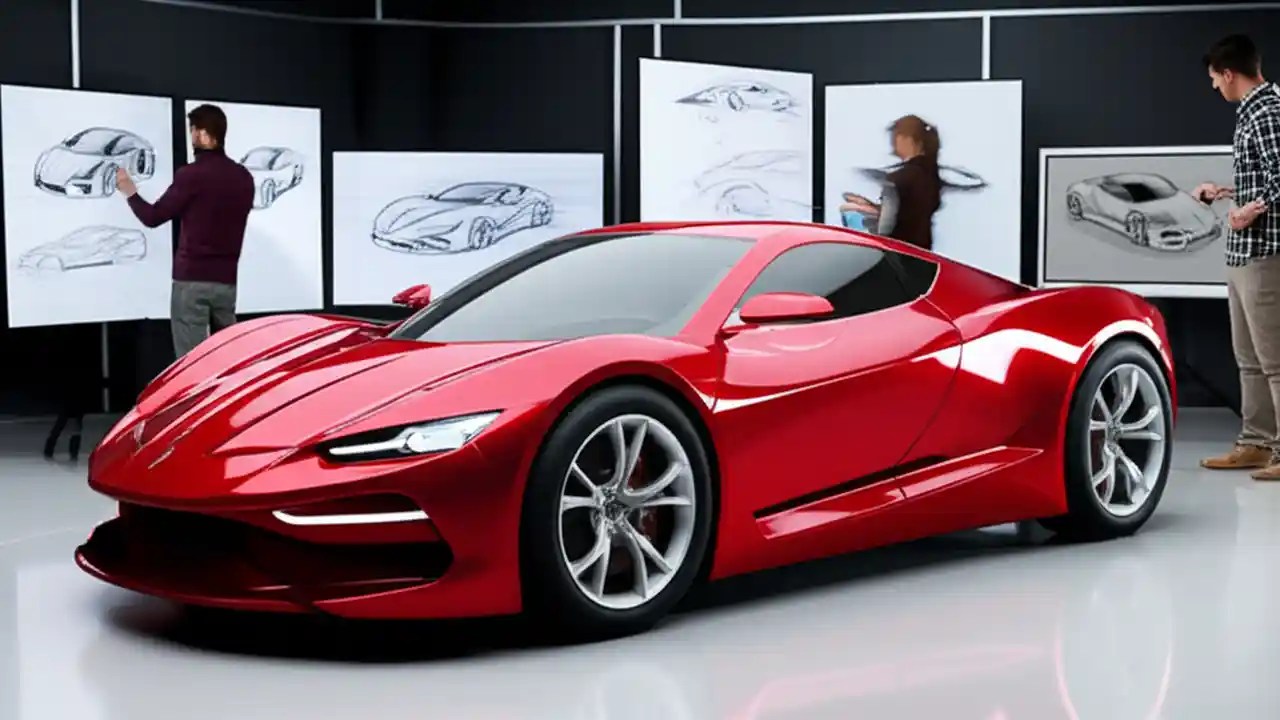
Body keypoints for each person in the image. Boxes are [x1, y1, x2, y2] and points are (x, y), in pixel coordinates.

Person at [1193, 35, 1280, 479]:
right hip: (1244, 252)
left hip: (1265, 253)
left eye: (1214, 79)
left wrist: (1253, 208)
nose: (1214, 88)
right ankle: (1257, 443)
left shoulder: (1267, 112)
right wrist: (1225, 193)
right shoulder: (1255, 111)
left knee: (1275, 359)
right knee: (1249, 358)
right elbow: (1265, 178)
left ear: (1229, 73)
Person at [117, 103, 254, 359]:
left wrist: (130, 192)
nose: (192, 137)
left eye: (193, 130)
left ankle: (196, 401)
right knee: (229, 359)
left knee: (191, 364)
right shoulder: (244, 177)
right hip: (226, 283)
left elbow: (153, 217)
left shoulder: (192, 175)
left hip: (191, 282)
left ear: (202, 134)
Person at [839, 114, 943, 250]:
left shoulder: (897, 180)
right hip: (923, 254)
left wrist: (866, 213)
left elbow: (885, 228)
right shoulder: (931, 176)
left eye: (895, 138)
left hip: (898, 256)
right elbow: (909, 213)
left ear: (907, 139)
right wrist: (871, 206)